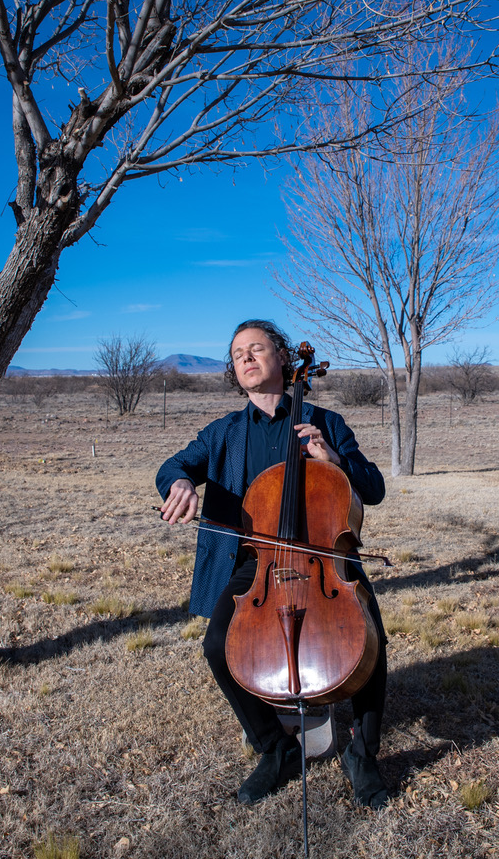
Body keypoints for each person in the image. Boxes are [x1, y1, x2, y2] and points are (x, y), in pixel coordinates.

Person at [156, 319, 391, 809]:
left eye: (256, 348)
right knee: (218, 646)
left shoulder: (325, 422)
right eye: (237, 352)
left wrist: (335, 461)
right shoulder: (223, 433)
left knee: (371, 638)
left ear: (283, 359)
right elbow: (173, 466)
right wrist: (178, 485)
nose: (245, 357)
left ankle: (363, 755)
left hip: (326, 558)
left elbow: (373, 489)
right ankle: (276, 748)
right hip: (258, 565)